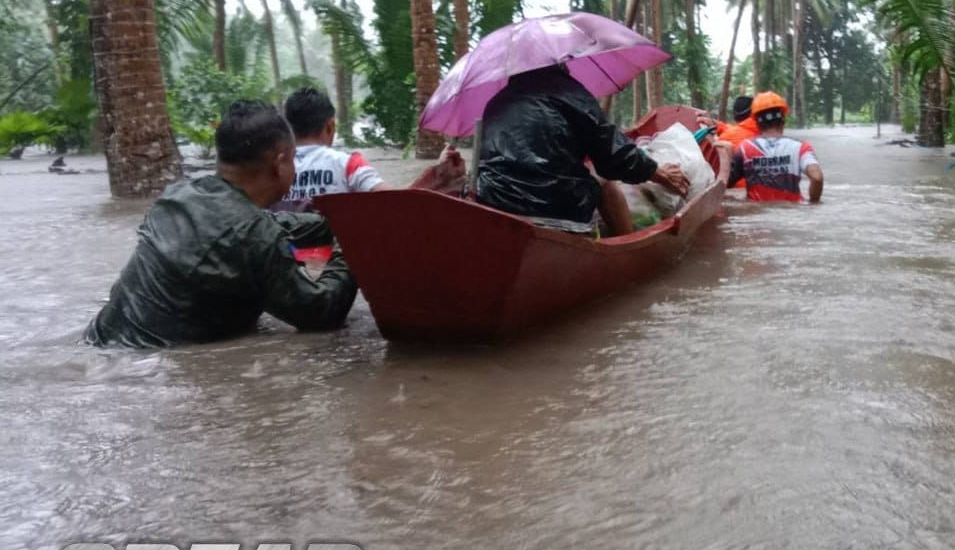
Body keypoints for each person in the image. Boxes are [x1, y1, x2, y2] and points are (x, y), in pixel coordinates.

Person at [84, 100, 358, 348]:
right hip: (143, 364)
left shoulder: (180, 195)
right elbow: (322, 312)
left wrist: (340, 220)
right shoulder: (253, 235)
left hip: (101, 342)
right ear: (281, 162)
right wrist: (354, 243)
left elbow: (267, 224)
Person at [475, 64, 689, 236]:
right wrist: (658, 173)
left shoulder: (495, 103)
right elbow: (615, 158)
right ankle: (627, 246)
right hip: (559, 211)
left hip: (495, 208)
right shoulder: (568, 93)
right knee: (604, 180)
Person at [275, 87, 466, 211]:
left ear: (288, 127)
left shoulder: (272, 169)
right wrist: (438, 174)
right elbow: (396, 204)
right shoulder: (348, 164)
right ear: (330, 126)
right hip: (339, 261)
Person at [727, 91, 823, 203]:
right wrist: (813, 202)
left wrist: (726, 155)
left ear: (757, 123)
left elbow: (726, 182)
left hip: (756, 214)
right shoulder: (801, 147)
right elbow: (817, 178)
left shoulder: (744, 148)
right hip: (793, 215)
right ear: (783, 120)